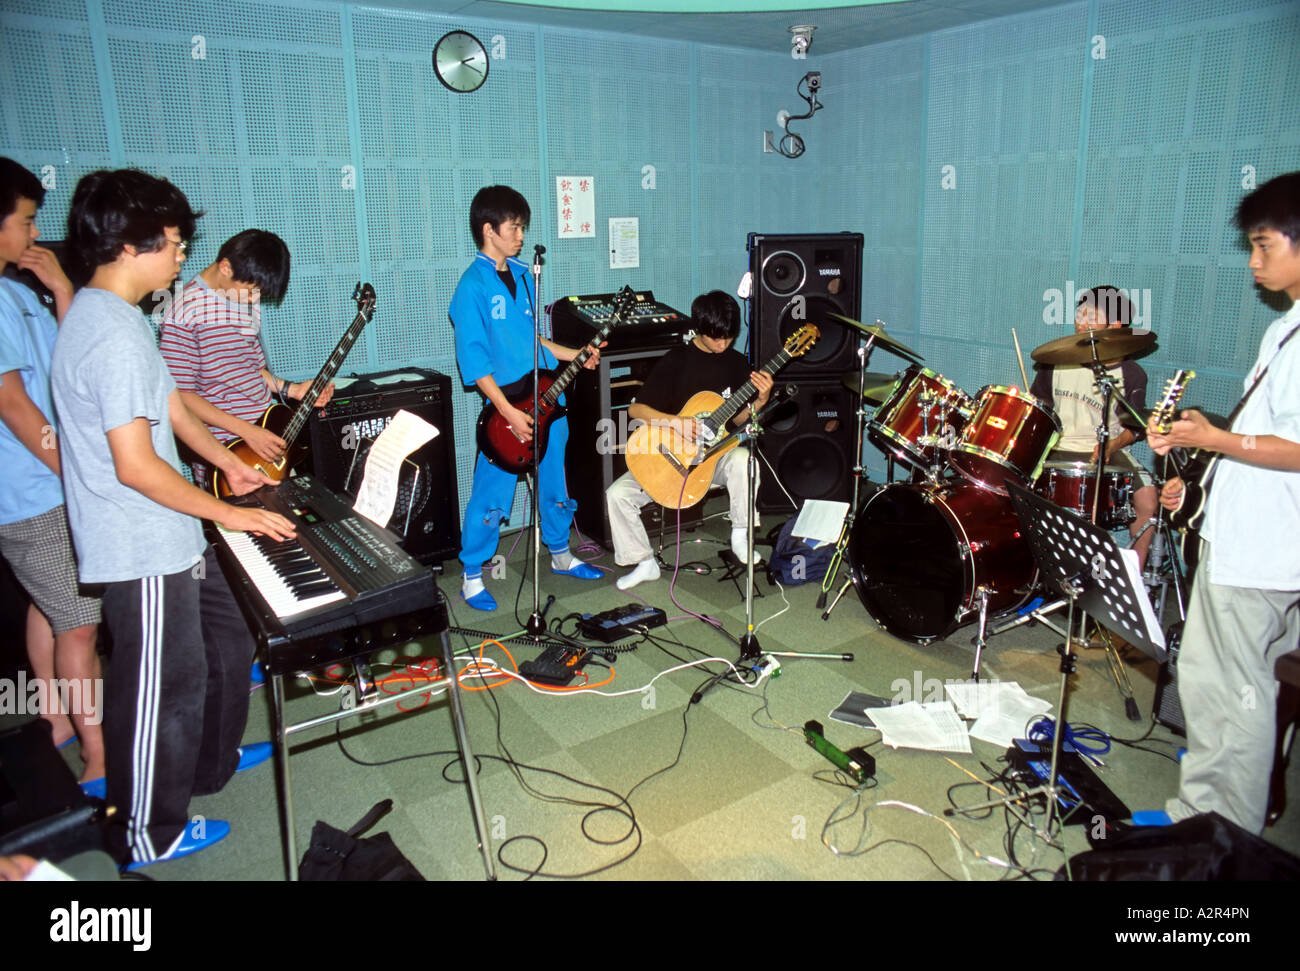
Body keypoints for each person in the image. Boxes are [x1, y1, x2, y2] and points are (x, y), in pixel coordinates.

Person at [50, 168, 294, 868]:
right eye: (177, 244)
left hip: (174, 533)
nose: (183, 256)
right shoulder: (112, 333)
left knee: (228, 639)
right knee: (161, 689)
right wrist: (230, 512)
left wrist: (233, 460)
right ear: (131, 244)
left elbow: (176, 409)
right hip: (142, 545)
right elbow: (134, 463)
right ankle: (146, 831)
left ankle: (209, 764)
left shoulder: (124, 318)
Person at [1146, 171, 1300, 834]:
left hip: (1257, 554)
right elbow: (1262, 435)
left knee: (1224, 690)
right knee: (1258, 688)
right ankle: (1250, 802)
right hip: (1266, 543)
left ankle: (1211, 832)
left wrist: (1213, 436)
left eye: (1264, 245)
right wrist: (1201, 461)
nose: (1254, 261)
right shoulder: (1288, 328)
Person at [0, 157, 103, 784]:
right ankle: (98, 756)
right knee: (81, 627)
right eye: (26, 221)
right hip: (32, 491)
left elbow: (69, 363)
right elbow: (12, 402)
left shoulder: (17, 293)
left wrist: (63, 292)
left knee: (51, 609)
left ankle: (57, 721)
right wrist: (73, 466)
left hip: (46, 483)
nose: (34, 235)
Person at [450, 185, 601, 611]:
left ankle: (560, 554)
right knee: (490, 494)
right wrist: (508, 414)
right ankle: (473, 574)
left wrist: (576, 355)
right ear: (489, 230)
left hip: (546, 404)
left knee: (555, 480)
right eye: (513, 227)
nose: (520, 234)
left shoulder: (521, 275)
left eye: (521, 227)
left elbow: (534, 341)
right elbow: (475, 364)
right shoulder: (471, 288)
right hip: (505, 412)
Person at [606, 290, 772, 590]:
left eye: (729, 337)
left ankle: (740, 534)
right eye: (716, 337)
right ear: (700, 329)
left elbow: (737, 420)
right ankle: (644, 562)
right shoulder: (676, 361)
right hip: (672, 457)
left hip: (713, 458)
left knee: (744, 460)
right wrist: (677, 423)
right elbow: (635, 410)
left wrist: (760, 400)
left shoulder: (735, 363)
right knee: (617, 495)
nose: (723, 343)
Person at [158, 229, 333, 492]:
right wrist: (246, 432)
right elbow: (181, 396)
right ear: (226, 267)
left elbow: (249, 369)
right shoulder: (182, 311)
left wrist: (293, 390)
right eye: (251, 292)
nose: (255, 300)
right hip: (226, 447)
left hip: (264, 432)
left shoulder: (242, 299)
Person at [1030, 285, 1159, 566]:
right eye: (1080, 313)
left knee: (1148, 501)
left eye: (1091, 315)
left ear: (1115, 325)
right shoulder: (1056, 363)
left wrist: (1112, 445)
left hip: (1107, 449)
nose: (1081, 321)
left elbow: (1134, 427)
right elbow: (1038, 411)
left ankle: (1132, 579)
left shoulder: (1132, 374)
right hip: (1060, 447)